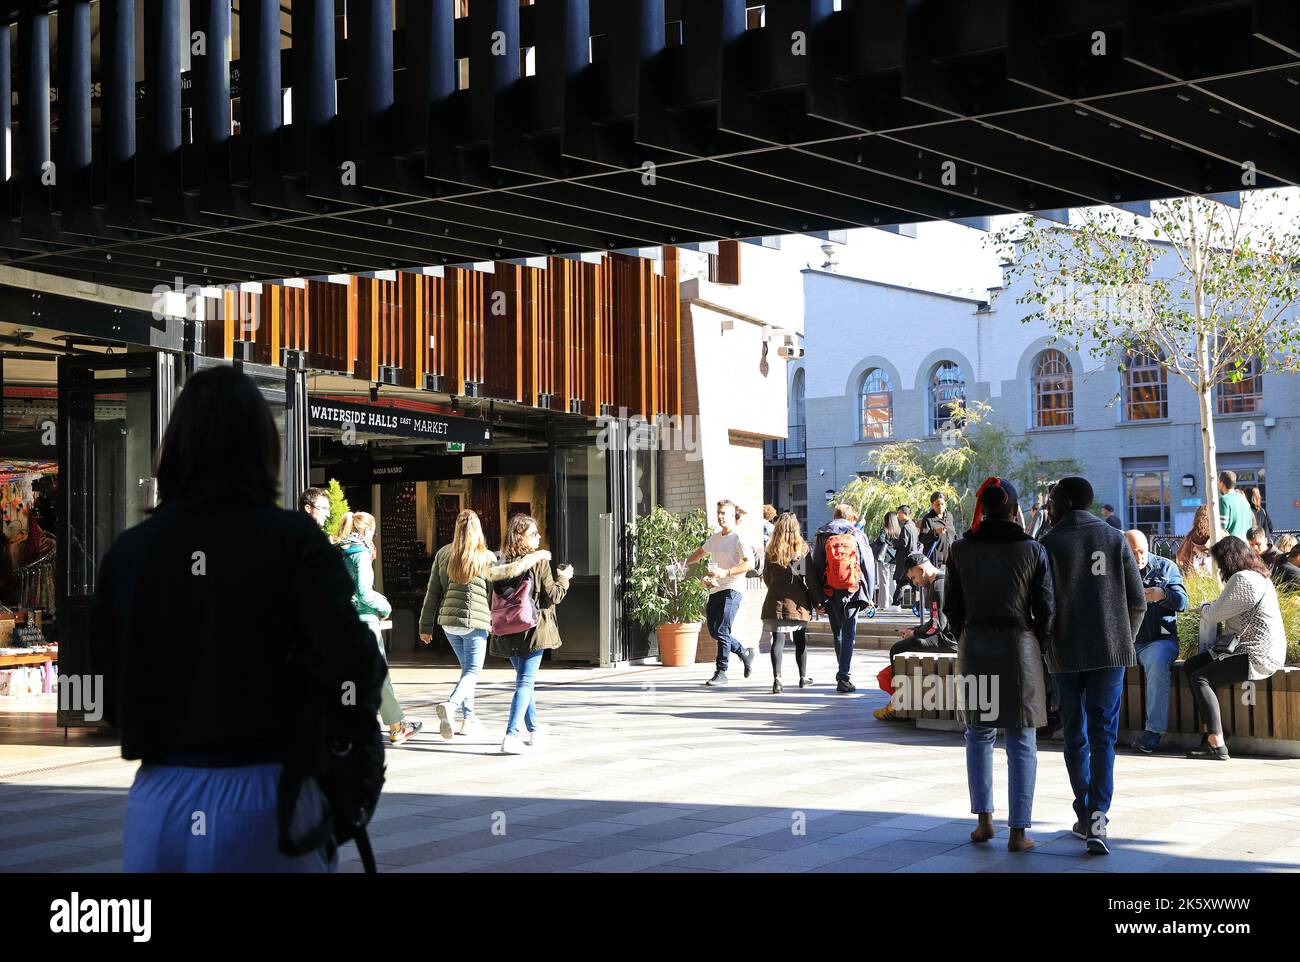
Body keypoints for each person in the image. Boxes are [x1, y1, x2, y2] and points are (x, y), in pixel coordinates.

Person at [93, 365, 385, 872]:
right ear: (262, 447)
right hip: (270, 792)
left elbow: (110, 692)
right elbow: (355, 667)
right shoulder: (294, 542)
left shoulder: (129, 553)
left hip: (158, 799)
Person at [944, 477, 1054, 852]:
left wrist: (966, 633)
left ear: (985, 508)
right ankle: (1019, 832)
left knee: (978, 733)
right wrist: (1040, 641)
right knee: (1021, 737)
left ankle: (984, 822)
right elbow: (1046, 608)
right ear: (1014, 509)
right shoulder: (1033, 549)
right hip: (1019, 645)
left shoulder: (959, 550)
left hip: (974, 644)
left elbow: (951, 608)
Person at [1040, 477, 1145, 855]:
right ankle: (1099, 817)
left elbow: (1043, 605)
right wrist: (1123, 639)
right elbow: (1138, 601)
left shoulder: (1048, 543)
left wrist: (1045, 644)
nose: (1048, 505)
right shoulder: (1115, 538)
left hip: (1065, 653)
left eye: (1052, 498)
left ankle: (1084, 814)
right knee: (1104, 736)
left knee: (1075, 734)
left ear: (1065, 501)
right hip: (1109, 652)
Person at [420, 509, 548, 739]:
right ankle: (452, 705)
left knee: (466, 671)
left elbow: (432, 593)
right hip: (476, 623)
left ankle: (468, 720)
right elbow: (498, 593)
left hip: (449, 625)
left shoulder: (443, 554)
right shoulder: (487, 557)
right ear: (478, 529)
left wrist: (425, 627)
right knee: (472, 671)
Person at [1184, 536, 1287, 761]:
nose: (1219, 566)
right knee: (1192, 666)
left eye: (1219, 561)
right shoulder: (1259, 576)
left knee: (1201, 678)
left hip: (1256, 653)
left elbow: (1213, 615)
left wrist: (1204, 607)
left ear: (1228, 559)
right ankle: (1211, 729)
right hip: (1252, 648)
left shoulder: (1242, 579)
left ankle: (1217, 741)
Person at [489, 514, 574, 754]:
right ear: (521, 537)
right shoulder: (538, 561)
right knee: (525, 683)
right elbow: (553, 596)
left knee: (524, 683)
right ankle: (511, 735)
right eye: (533, 533)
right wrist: (564, 579)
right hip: (532, 629)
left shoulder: (499, 562)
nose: (538, 537)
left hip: (507, 629)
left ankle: (534, 730)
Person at [339, 512, 423, 746]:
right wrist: (384, 605)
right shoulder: (361, 554)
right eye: (374, 532)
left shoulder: (340, 552)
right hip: (364, 620)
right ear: (366, 531)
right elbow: (364, 592)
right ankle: (396, 726)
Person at [1124, 530, 1189, 754]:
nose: (1138, 557)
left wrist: (1163, 594)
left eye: (1141, 551)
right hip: (1127, 641)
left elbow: (1183, 602)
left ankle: (1153, 731)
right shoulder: (1117, 568)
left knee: (1157, 663)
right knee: (1099, 663)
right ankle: (1101, 728)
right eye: (1132, 553)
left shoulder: (1165, 567)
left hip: (1158, 639)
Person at [873, 552, 955, 722]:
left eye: (913, 577)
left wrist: (915, 632)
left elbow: (936, 626)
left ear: (920, 569)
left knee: (898, 649)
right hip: (951, 636)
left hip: (949, 640)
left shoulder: (938, 586)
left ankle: (898, 703)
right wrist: (915, 630)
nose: (914, 582)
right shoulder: (942, 580)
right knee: (908, 642)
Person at [687, 500, 756, 687]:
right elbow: (700, 552)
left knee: (723, 629)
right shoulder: (716, 538)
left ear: (733, 515)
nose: (720, 516)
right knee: (714, 630)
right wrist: (685, 563)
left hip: (733, 588)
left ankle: (722, 671)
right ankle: (744, 652)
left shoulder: (738, 537)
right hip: (715, 587)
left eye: (724, 513)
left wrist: (726, 572)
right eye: (718, 512)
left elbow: (750, 564)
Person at [808, 503, 876, 693]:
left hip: (830, 591)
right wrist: (869, 594)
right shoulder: (857, 534)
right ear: (851, 517)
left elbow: (816, 568)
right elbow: (867, 565)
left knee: (838, 633)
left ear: (834, 515)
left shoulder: (822, 534)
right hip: (853, 590)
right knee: (849, 633)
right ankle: (844, 676)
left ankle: (843, 674)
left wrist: (818, 599)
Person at [761, 513, 815, 693]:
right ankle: (803, 677)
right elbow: (807, 577)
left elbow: (767, 578)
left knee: (777, 640)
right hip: (797, 602)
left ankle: (777, 679)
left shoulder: (771, 551)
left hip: (775, 601)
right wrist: (817, 600)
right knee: (800, 640)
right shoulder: (801, 550)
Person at [892, 504, 921, 609]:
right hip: (913, 558)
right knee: (915, 585)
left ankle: (896, 604)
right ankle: (919, 603)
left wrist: (894, 542)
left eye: (899, 513)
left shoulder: (905, 527)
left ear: (904, 514)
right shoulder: (913, 526)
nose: (898, 516)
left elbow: (903, 544)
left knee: (901, 582)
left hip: (904, 560)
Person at [918, 491, 956, 568]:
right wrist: (935, 532)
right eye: (937, 504)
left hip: (951, 559)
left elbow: (953, 535)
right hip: (935, 561)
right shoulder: (928, 519)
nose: (940, 507)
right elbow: (922, 538)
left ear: (946, 504)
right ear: (932, 505)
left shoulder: (949, 516)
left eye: (942, 504)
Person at [1175, 504, 1215, 577]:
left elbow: (1181, 556)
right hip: (1213, 573)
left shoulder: (1191, 535)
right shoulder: (1217, 533)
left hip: (1196, 574)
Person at [873, 511, 902, 609]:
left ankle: (884, 605)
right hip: (895, 558)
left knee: (884, 582)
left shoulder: (884, 530)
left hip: (885, 558)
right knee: (893, 581)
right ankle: (893, 604)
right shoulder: (899, 530)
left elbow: (881, 540)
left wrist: (886, 541)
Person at [1217, 471, 1253, 540]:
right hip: (1246, 542)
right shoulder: (1243, 499)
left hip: (1232, 544)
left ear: (1221, 484)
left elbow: (1222, 527)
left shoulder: (1224, 500)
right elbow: (1250, 522)